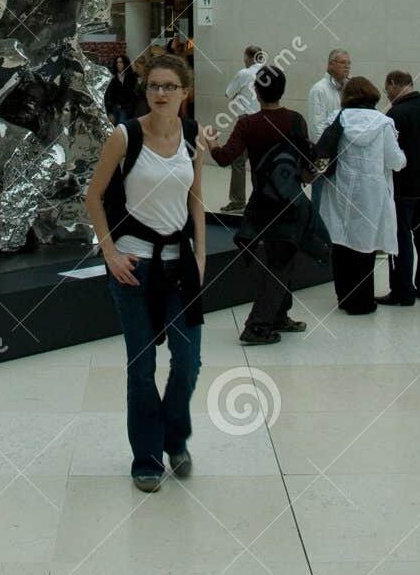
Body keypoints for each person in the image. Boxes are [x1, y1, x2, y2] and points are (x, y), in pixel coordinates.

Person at [84, 54, 205, 492]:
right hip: (135, 267)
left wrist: (202, 256)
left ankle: (174, 436)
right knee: (141, 367)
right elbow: (93, 197)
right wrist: (109, 253)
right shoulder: (125, 135)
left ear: (184, 92)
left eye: (169, 86)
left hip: (180, 265)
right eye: (154, 85)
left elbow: (196, 199)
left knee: (189, 362)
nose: (159, 93)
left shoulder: (193, 136)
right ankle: (147, 456)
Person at [202, 64, 314, 344]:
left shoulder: (247, 123)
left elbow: (225, 157)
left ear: (256, 90)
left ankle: (278, 316)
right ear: (283, 89)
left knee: (281, 259)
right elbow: (307, 161)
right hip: (290, 200)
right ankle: (257, 326)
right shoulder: (296, 120)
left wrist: (211, 143)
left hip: (262, 202)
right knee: (281, 261)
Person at [316, 76, 405, 315]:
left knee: (341, 241)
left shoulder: (336, 119)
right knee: (365, 247)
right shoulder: (384, 123)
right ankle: (362, 301)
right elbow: (395, 161)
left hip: (340, 189)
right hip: (371, 193)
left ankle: (344, 297)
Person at [380, 71, 420, 304]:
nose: (386, 93)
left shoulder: (396, 114)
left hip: (404, 187)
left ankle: (403, 290)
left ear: (395, 84)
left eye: (387, 88)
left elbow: (392, 154)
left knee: (401, 238)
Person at [307, 49, 350, 215]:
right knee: (320, 194)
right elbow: (316, 127)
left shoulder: (350, 87)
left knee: (338, 199)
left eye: (349, 63)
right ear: (330, 64)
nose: (347, 67)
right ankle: (315, 233)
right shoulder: (319, 89)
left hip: (344, 151)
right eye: (342, 63)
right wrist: (326, 154)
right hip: (323, 153)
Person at [223, 45, 265, 212]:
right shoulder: (269, 71)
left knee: (238, 162)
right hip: (265, 120)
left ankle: (238, 201)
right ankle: (261, 202)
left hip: (247, 121)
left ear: (248, 57)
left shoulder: (244, 73)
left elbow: (228, 93)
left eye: (244, 57)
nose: (244, 60)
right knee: (261, 162)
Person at [103, 54, 138, 125]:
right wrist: (109, 110)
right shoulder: (112, 78)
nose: (118, 64)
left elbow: (132, 92)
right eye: (117, 62)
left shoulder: (130, 77)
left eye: (121, 62)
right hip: (115, 107)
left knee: (121, 126)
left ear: (125, 63)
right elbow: (108, 94)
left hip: (126, 108)